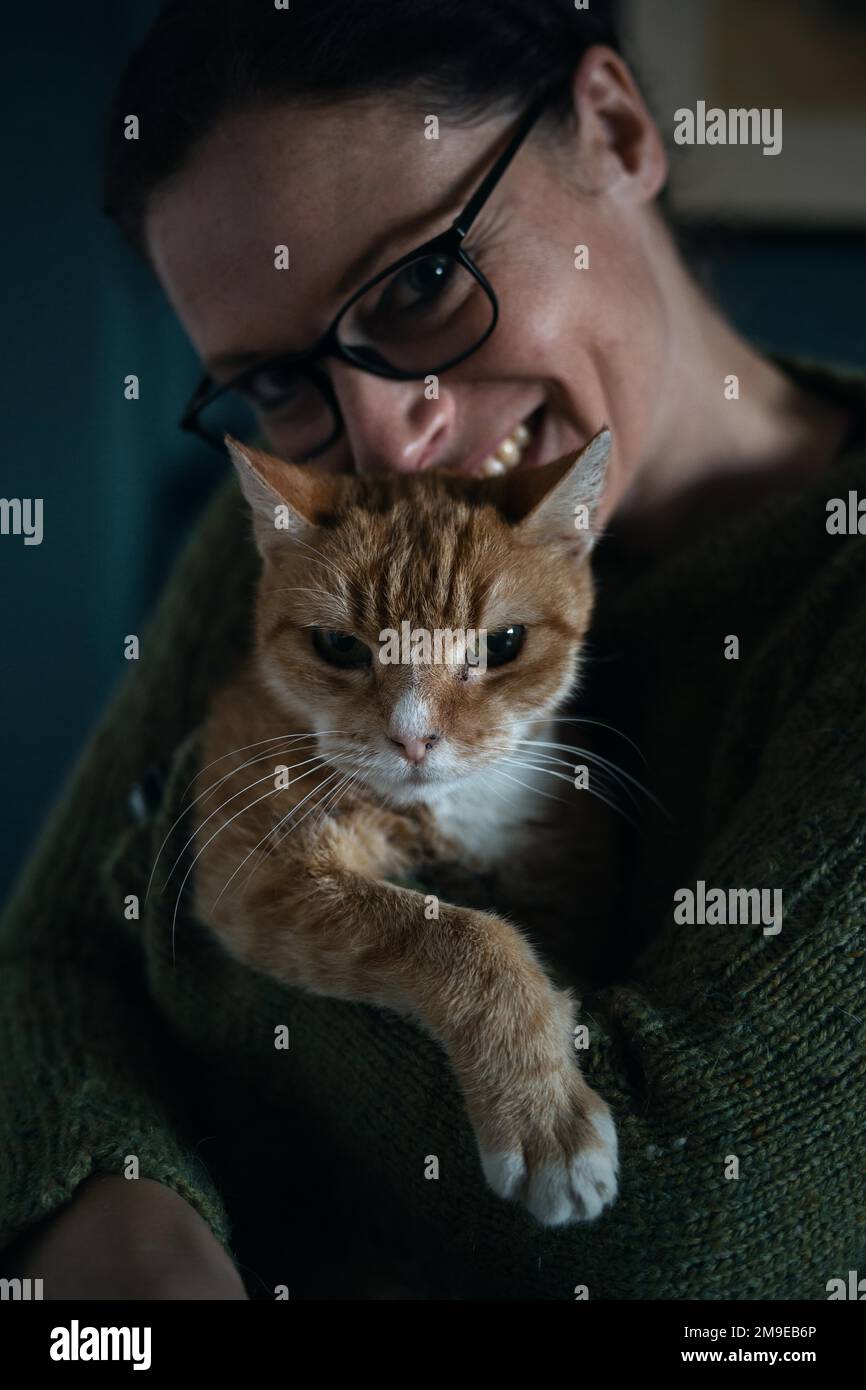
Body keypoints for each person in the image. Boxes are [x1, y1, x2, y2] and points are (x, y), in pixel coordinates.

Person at [1, 0, 864, 1300]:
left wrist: (202, 912)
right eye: (280, 381)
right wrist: (130, 1211)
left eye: (418, 284)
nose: (386, 443)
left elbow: (681, 1223)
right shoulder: (291, 538)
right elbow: (45, 969)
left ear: (618, 130)